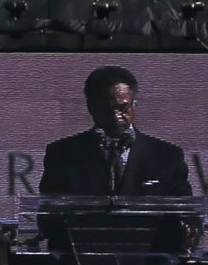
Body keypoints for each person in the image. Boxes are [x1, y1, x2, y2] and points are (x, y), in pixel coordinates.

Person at [41, 66, 197, 201]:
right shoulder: (62, 154)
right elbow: (48, 213)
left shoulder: (167, 156)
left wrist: (187, 226)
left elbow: (184, 209)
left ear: (133, 104)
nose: (116, 117)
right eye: (107, 109)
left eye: (123, 108)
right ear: (91, 107)